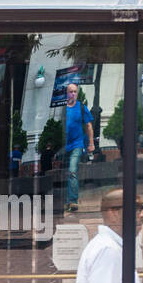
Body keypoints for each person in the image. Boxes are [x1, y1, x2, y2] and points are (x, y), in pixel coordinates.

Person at [62, 83, 95, 214]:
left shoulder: (81, 107)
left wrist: (91, 144)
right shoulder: (62, 108)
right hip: (63, 145)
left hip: (77, 144)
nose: (73, 94)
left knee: (72, 170)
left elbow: (89, 126)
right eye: (70, 92)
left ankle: (73, 201)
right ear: (66, 93)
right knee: (65, 174)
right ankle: (66, 202)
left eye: (75, 92)